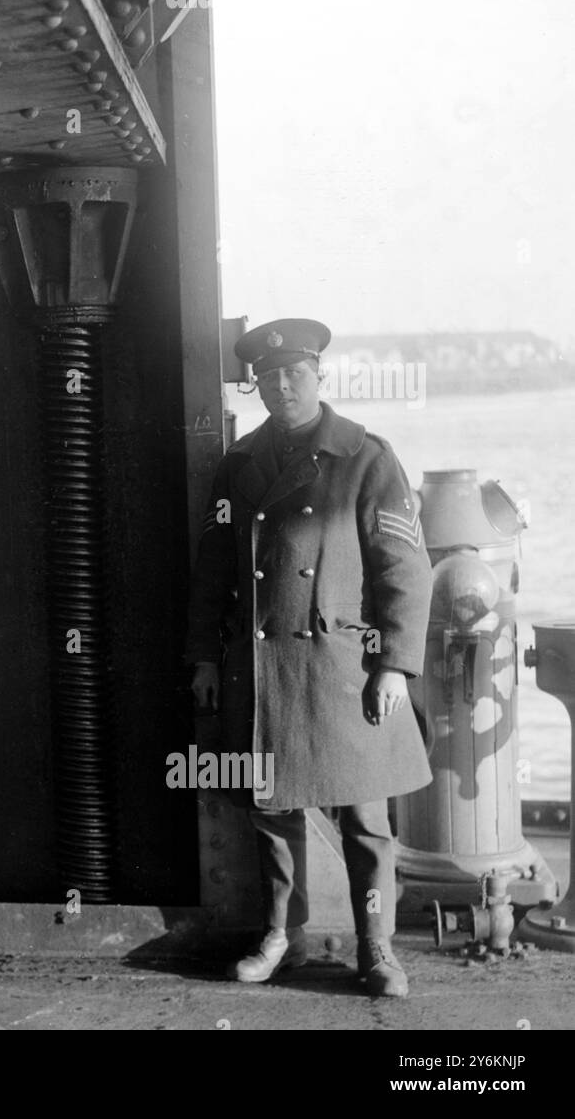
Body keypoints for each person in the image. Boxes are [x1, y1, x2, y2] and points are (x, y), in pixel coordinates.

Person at [185, 318, 432, 998]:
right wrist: (205, 658)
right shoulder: (239, 465)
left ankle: (376, 948)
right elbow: (211, 570)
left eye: (293, 373)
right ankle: (281, 934)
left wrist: (394, 665)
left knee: (365, 818)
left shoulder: (365, 456)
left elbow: (405, 570)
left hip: (346, 669)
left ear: (319, 376)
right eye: (267, 377)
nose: (280, 386)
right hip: (265, 670)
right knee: (271, 811)